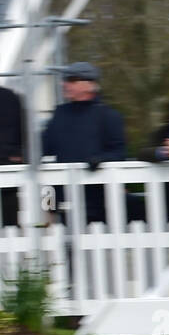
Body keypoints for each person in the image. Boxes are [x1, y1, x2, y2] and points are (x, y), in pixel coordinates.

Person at [40, 62, 126, 225]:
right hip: (63, 203)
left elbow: (119, 153)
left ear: (90, 84)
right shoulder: (60, 114)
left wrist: (101, 159)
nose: (64, 84)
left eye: (72, 80)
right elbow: (42, 148)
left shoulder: (108, 116)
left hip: (99, 202)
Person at [0, 84, 25, 227]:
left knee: (9, 212)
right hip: (10, 161)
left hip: (8, 161)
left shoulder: (9, 97)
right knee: (10, 216)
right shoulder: (10, 96)